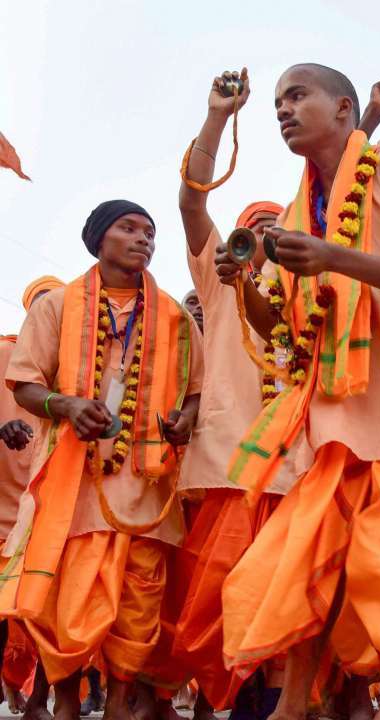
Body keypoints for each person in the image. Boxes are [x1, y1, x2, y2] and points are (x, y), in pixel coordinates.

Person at [216, 63, 380, 720]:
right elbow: (293, 331)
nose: (282, 110)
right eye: (276, 103)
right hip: (330, 415)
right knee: (309, 562)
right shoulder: (299, 211)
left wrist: (331, 257)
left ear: (347, 109)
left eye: (297, 96)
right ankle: (292, 705)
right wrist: (244, 283)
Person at [171, 68, 380, 720]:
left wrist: (371, 122)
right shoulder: (224, 279)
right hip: (233, 471)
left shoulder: (316, 283)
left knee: (313, 593)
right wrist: (220, 115)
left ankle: (298, 704)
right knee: (217, 604)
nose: (269, 240)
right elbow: (192, 205)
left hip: (308, 463)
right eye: (258, 230)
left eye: (281, 229)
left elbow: (347, 194)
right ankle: (218, 705)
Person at [0, 199, 203, 720]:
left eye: (150, 233)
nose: (144, 240)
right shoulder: (57, 307)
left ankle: (118, 703)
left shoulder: (177, 319)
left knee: (140, 599)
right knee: (64, 591)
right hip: (74, 481)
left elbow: (198, 391)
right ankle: (65, 698)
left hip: (147, 485)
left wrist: (184, 419)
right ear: (98, 240)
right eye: (128, 228)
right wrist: (66, 405)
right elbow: (24, 384)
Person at [0, 276, 64, 720]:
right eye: (42, 303)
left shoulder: (79, 367)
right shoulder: (3, 357)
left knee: (47, 608)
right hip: (2, 507)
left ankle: (42, 697)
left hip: (50, 505)